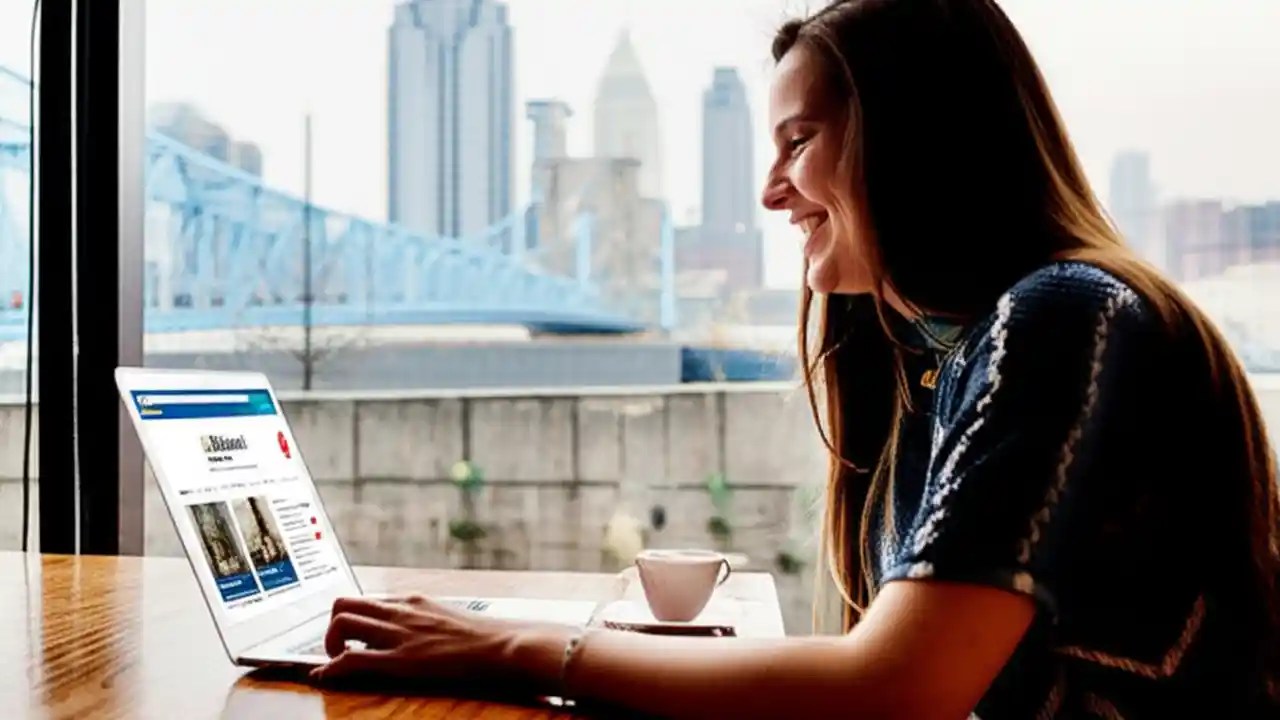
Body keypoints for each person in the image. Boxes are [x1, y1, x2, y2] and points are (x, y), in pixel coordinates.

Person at [311, 0, 1280, 716]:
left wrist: (517, 647)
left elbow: (895, 687)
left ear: (912, 139)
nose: (771, 193)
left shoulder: (1063, 318)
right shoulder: (942, 360)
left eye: (798, 141)